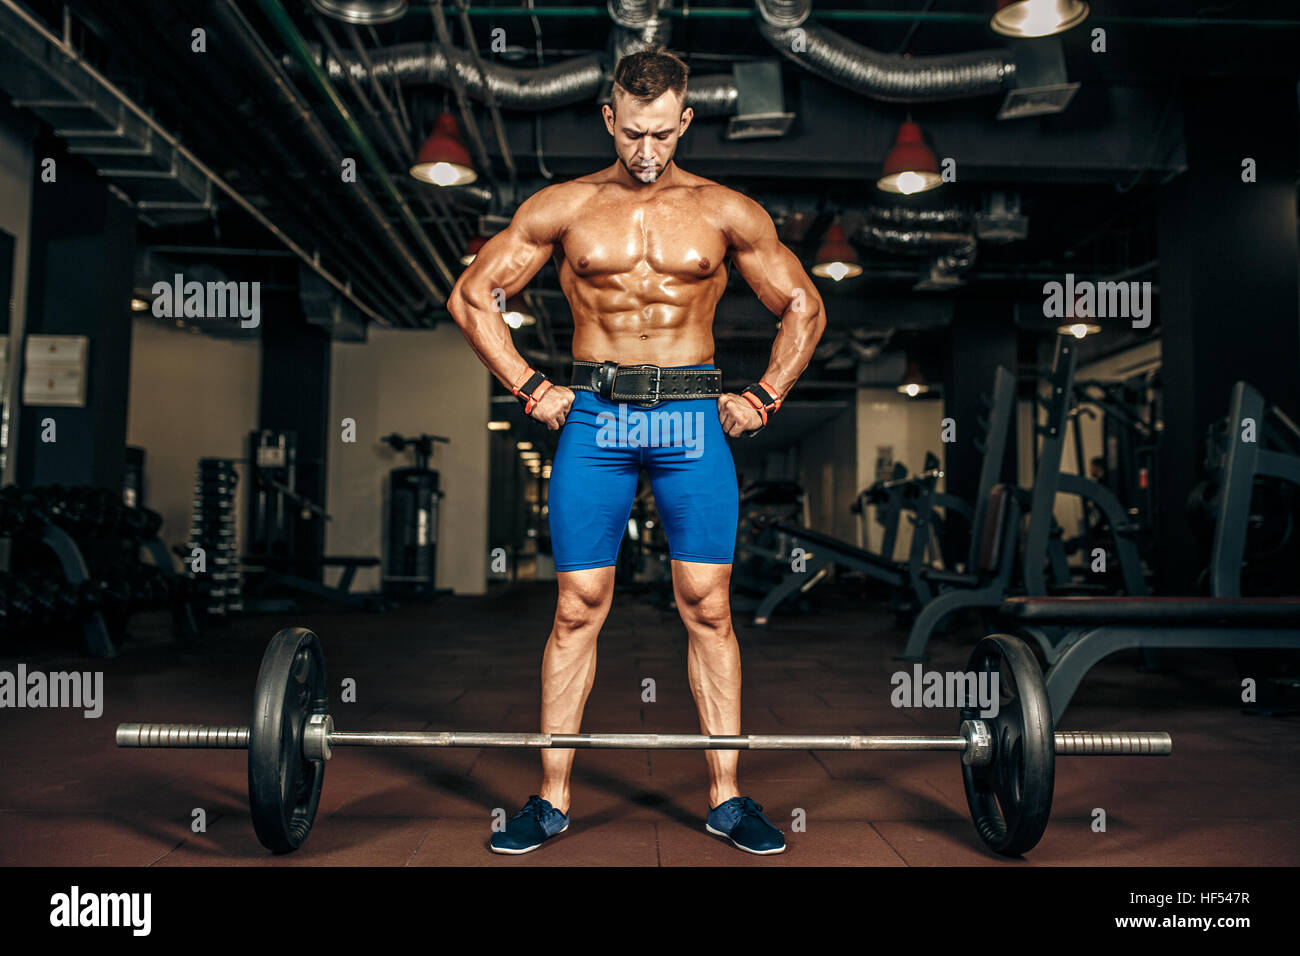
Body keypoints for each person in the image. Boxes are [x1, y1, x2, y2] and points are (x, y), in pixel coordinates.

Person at [448, 45, 826, 856]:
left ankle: (727, 797)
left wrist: (765, 396)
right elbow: (474, 294)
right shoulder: (566, 206)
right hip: (597, 421)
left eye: (661, 133)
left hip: (692, 420)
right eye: (631, 133)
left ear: (685, 120)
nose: (646, 152)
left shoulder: (726, 211)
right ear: (609, 119)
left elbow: (801, 302)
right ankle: (549, 801)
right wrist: (527, 385)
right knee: (577, 607)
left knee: (709, 605)